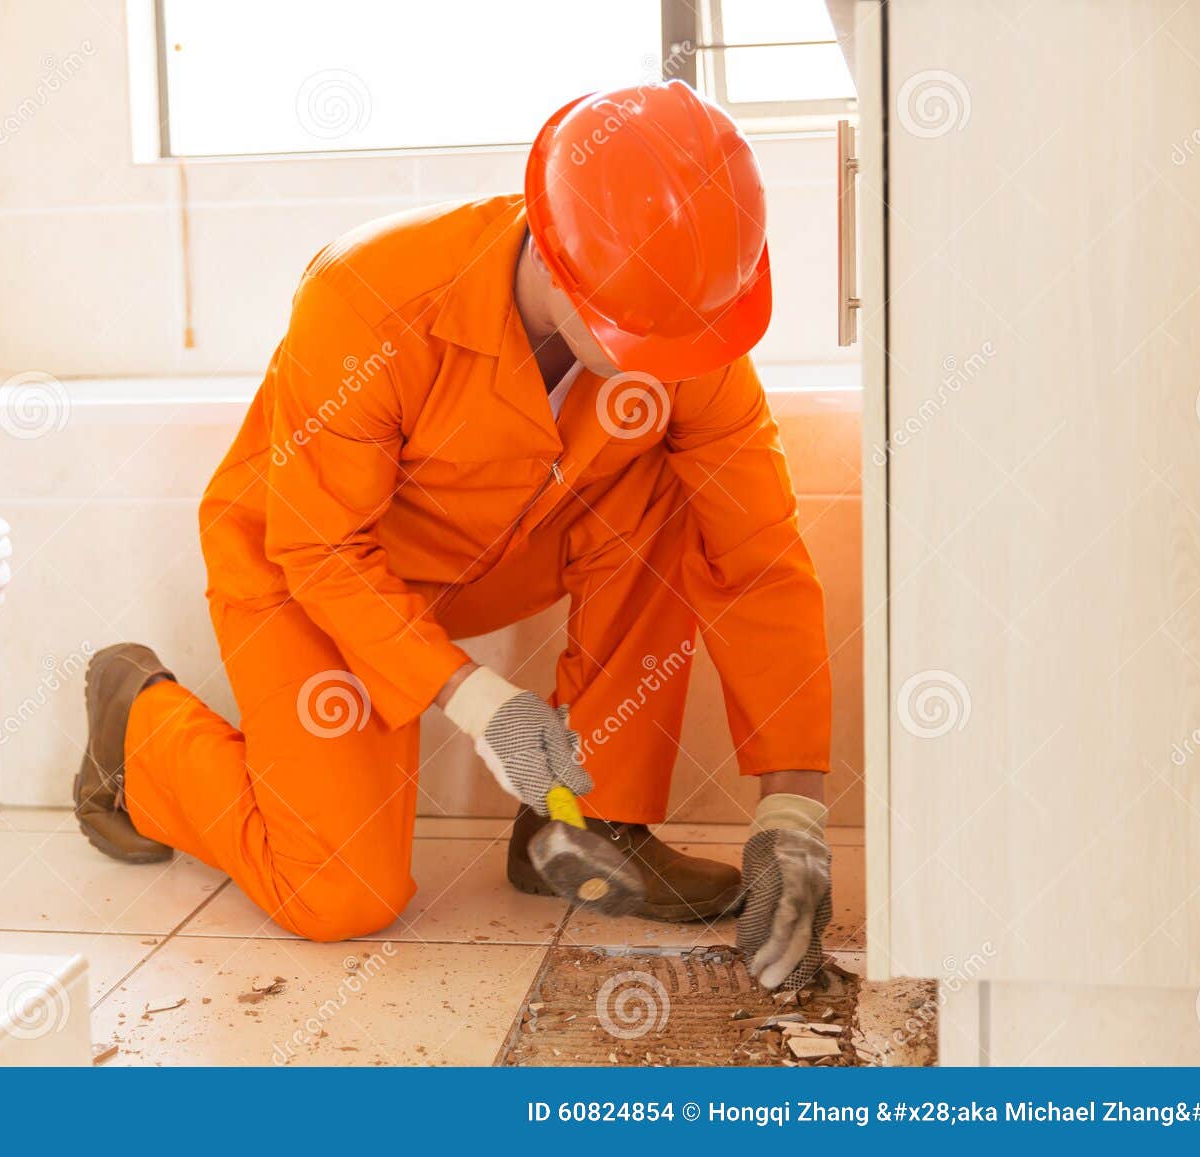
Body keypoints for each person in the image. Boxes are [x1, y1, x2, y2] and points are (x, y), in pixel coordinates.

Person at [74, 81, 834, 990]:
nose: (666, 364)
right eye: (636, 336)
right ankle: (137, 734)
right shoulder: (370, 298)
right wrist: (478, 701)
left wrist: (795, 807)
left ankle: (586, 821)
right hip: (316, 567)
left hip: (499, 550)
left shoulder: (679, 321)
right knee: (341, 896)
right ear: (557, 262)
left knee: (675, 489)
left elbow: (754, 550)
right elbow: (321, 546)